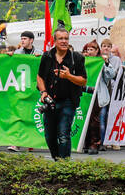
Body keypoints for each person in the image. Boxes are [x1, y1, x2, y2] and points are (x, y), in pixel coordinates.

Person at [36, 27, 87, 160]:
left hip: (68, 101)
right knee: (49, 136)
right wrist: (43, 92)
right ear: (55, 40)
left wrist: (69, 76)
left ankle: (64, 165)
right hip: (50, 102)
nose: (64, 41)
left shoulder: (77, 58)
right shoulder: (47, 56)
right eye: (61, 39)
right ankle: (57, 160)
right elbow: (40, 77)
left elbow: (83, 81)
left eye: (66, 38)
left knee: (63, 135)